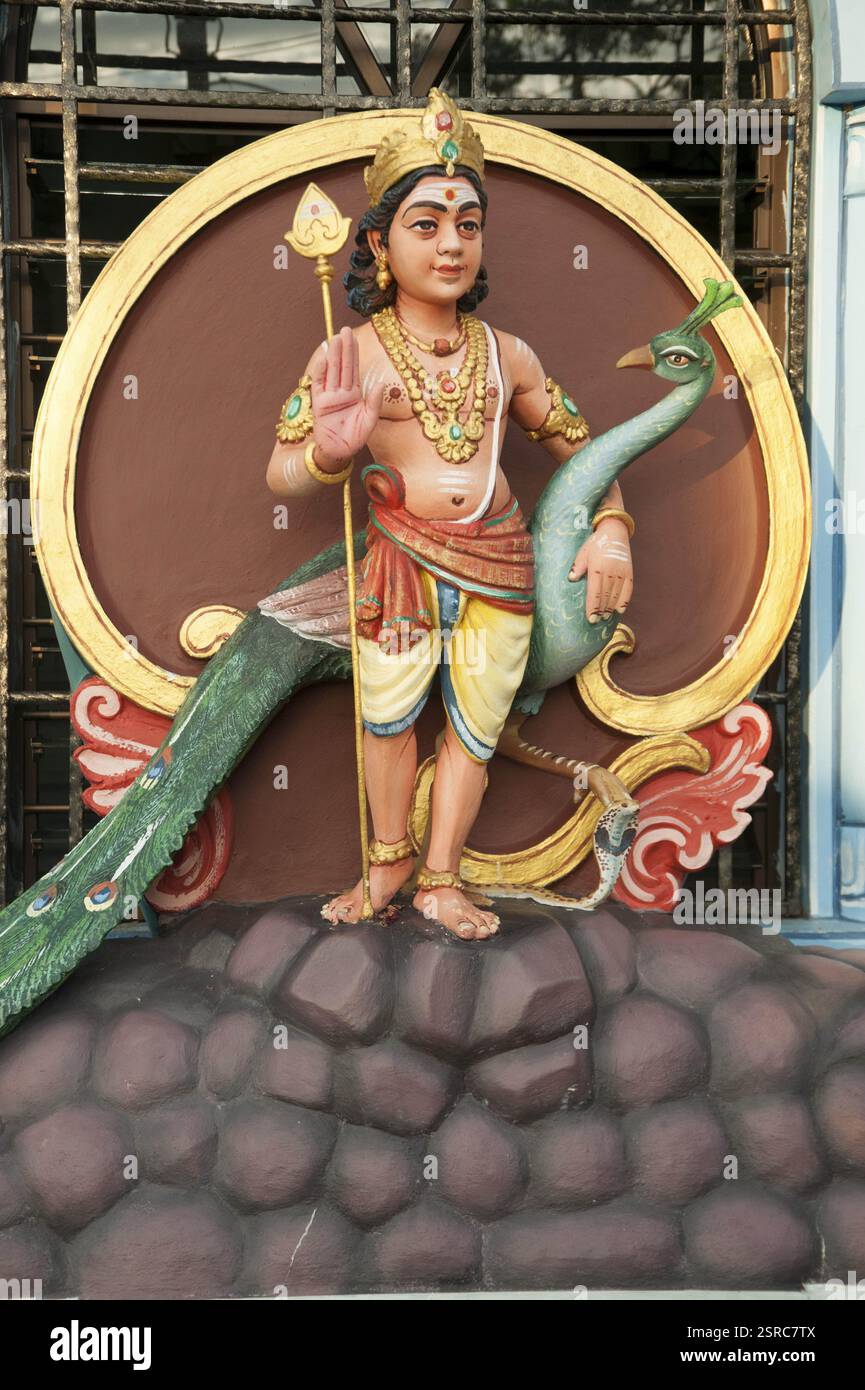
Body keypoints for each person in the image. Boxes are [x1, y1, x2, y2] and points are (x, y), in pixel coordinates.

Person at [264, 90, 634, 941]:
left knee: (474, 730)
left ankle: (440, 878)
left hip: (499, 565)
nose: (451, 242)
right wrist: (328, 452)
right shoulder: (348, 351)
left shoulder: (508, 354)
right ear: (379, 245)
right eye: (426, 223)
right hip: (399, 565)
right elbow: (281, 472)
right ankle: (387, 860)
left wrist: (611, 526)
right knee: (388, 720)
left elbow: (583, 451)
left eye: (467, 223)